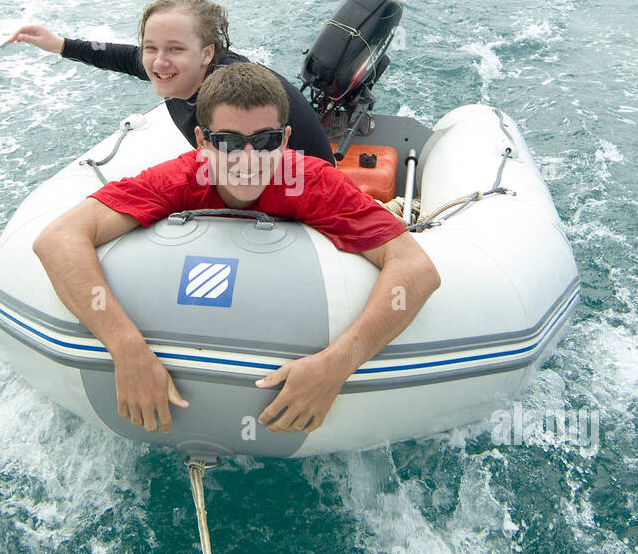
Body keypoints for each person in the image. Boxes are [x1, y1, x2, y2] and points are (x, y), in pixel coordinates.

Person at [33, 63, 440, 437]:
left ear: (284, 141)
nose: (249, 159)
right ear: (202, 142)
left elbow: (415, 268)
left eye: (263, 141)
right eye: (228, 141)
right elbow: (59, 239)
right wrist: (126, 349)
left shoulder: (309, 182)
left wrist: (337, 365)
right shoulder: (183, 178)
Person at [7, 0, 335, 164]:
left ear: (206, 52)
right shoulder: (177, 69)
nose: (158, 61)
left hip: (298, 181)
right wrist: (60, 45)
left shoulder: (232, 99)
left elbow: (246, 172)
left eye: (175, 49)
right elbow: (119, 56)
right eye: (151, 47)